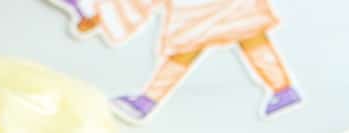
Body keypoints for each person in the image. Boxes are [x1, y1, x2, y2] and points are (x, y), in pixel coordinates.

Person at [58, 0, 301, 122]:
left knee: (187, 50)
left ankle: (148, 101)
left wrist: (99, 16)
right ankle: (283, 88)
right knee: (252, 38)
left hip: (196, 9)